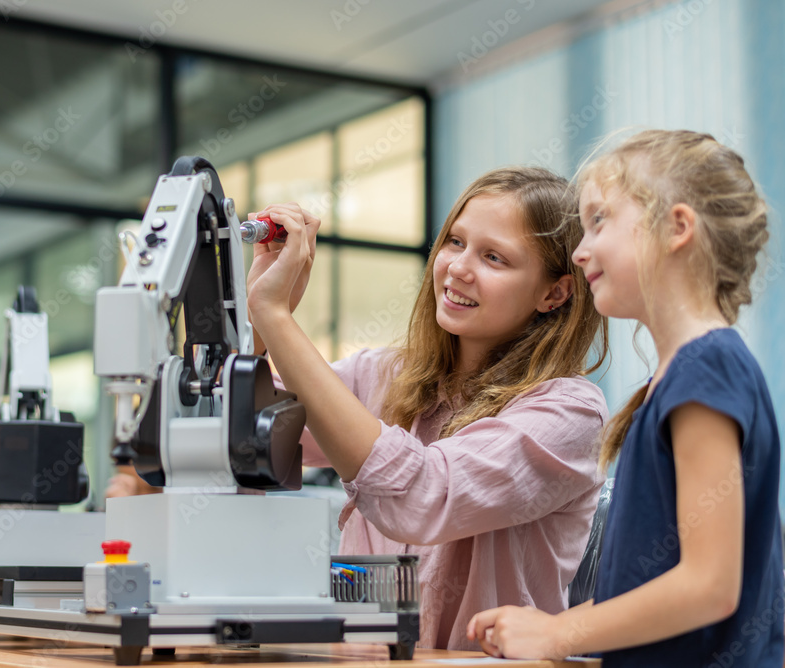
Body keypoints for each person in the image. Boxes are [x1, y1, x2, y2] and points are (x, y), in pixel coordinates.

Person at [246, 166, 609, 649]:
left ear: (554, 292)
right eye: (455, 242)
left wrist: (276, 319)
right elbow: (249, 433)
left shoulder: (570, 412)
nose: (458, 267)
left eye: (494, 257)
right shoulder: (383, 375)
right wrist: (256, 325)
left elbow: (422, 497)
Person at [467, 130, 784, 667]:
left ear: (676, 228)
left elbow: (710, 586)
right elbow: (654, 581)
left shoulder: (706, 369)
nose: (581, 248)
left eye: (599, 222)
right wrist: (554, 626)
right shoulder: (683, 376)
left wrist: (558, 636)